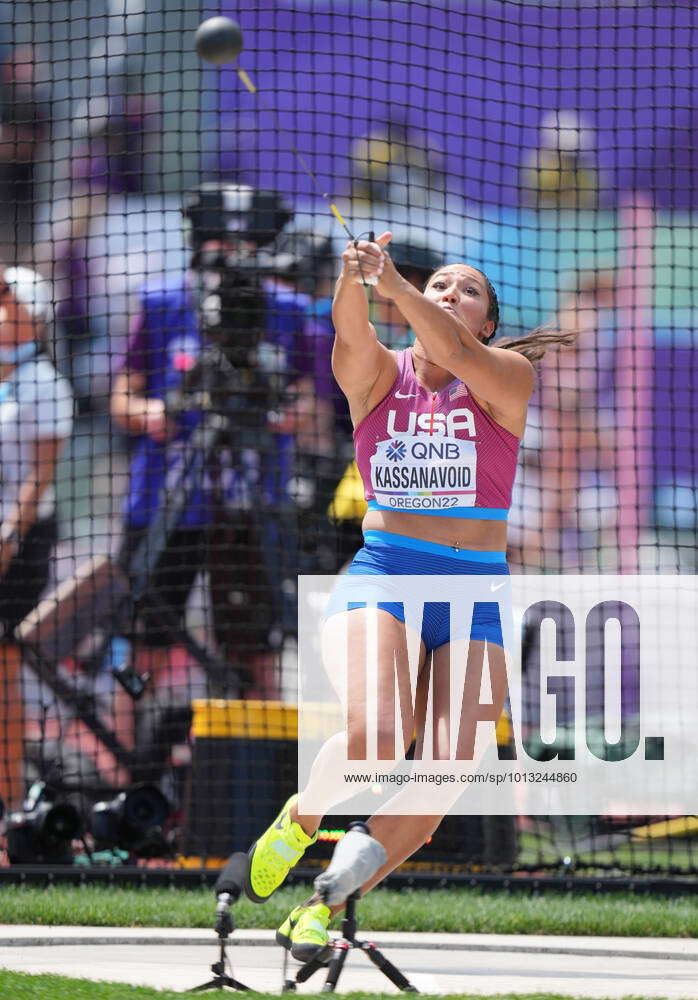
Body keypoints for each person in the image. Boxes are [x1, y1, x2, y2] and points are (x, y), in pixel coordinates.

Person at [241, 232, 577, 960]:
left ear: (487, 323)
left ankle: (320, 910)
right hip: (388, 574)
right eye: (441, 287)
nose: (451, 293)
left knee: (443, 780)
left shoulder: (505, 375)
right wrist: (356, 278)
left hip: (475, 591)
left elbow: (453, 354)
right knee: (380, 743)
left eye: (468, 290)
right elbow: (349, 325)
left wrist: (397, 284)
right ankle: (303, 817)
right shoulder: (377, 375)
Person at [0, 267, 73, 637]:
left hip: (20, 540)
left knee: (6, 654)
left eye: (10, 305)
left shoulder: (46, 383)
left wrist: (8, 538)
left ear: (36, 320)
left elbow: (40, 475)